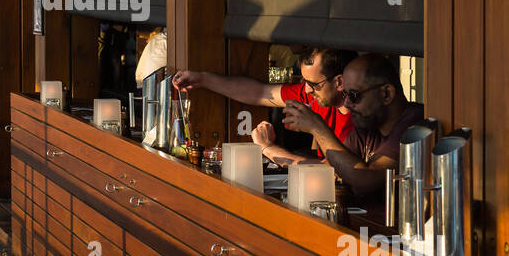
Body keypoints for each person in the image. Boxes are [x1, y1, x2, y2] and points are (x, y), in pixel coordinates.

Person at [172, 46, 357, 167]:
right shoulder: (317, 94)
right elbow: (259, 93)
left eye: (314, 84)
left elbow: (330, 172)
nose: (307, 90)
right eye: (304, 81)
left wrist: (267, 147)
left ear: (339, 82)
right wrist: (202, 79)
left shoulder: (360, 117)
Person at [284, 53, 426, 199]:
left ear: (386, 94)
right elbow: (332, 169)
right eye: (345, 94)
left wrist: (318, 128)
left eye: (353, 95)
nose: (346, 103)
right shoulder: (368, 125)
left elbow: (365, 180)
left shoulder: (415, 124)